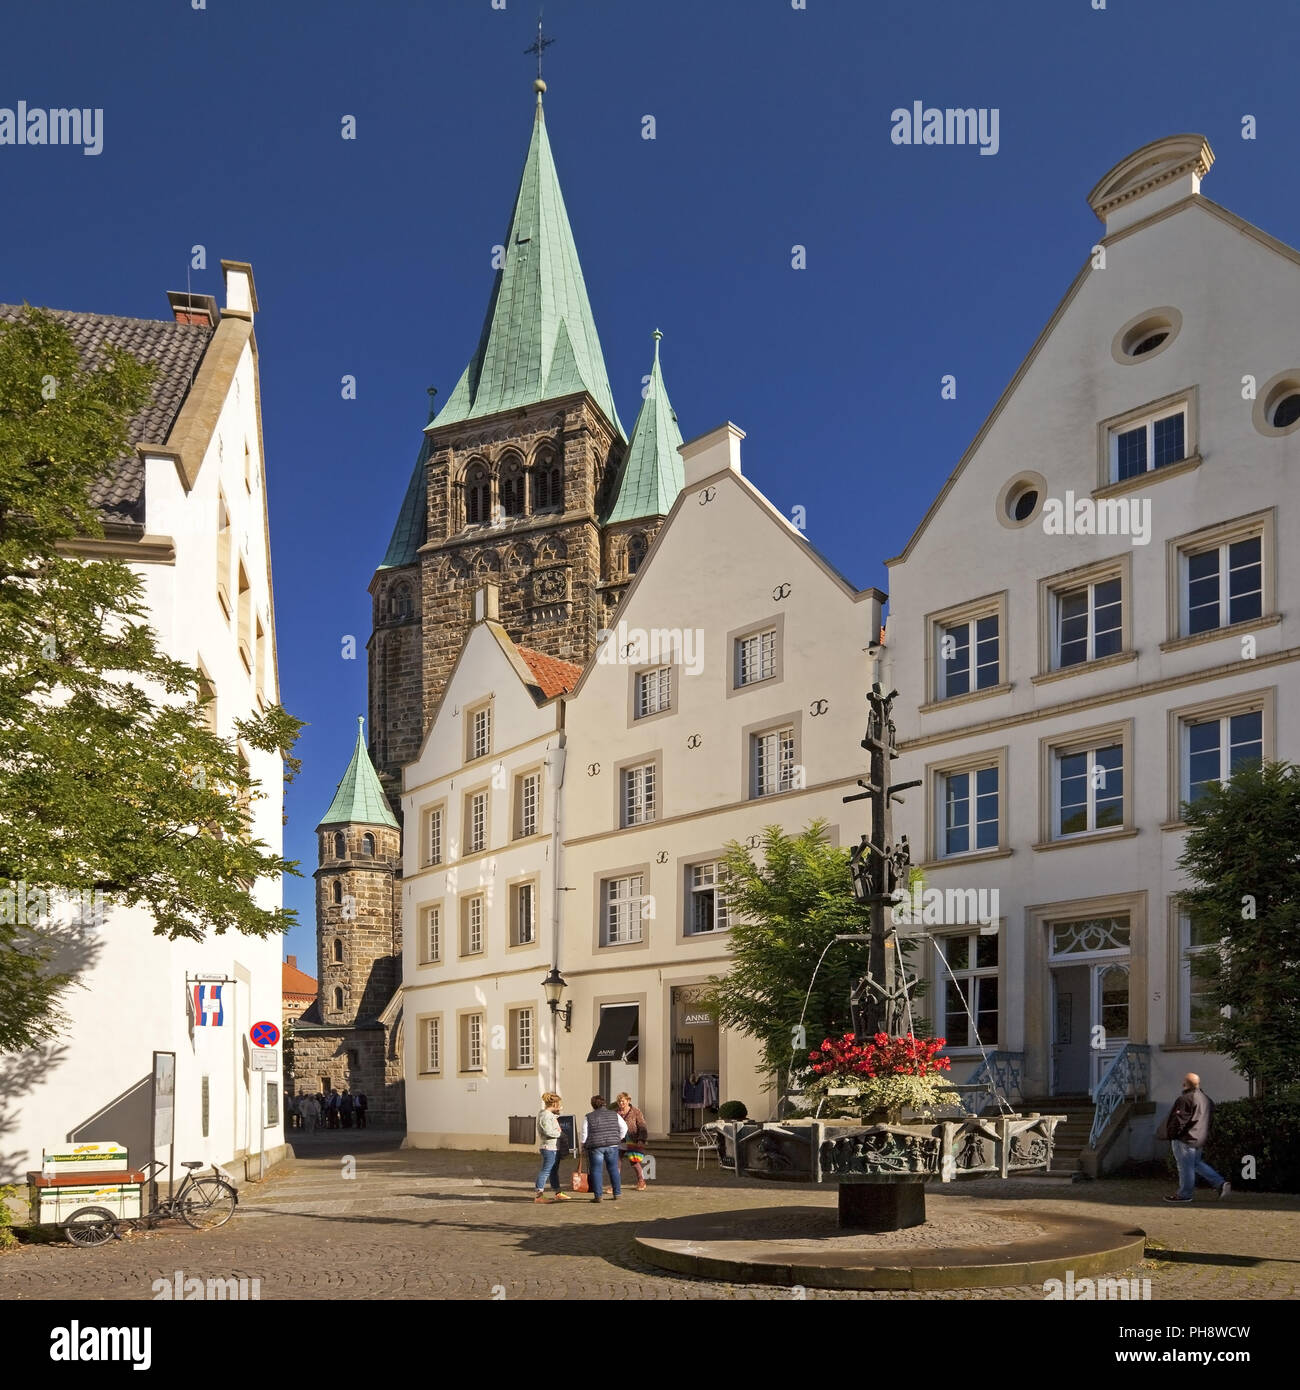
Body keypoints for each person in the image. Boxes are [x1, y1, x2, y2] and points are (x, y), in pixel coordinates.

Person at [1159, 1072, 1230, 1203]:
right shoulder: (1206, 1099)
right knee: (1196, 1164)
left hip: (1185, 1139)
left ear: (1185, 1084)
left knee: (1185, 1167)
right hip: (1199, 1138)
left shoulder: (1185, 1099)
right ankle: (1220, 1183)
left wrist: (1172, 1135)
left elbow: (1179, 1121)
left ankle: (1185, 1194)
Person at [581, 1095, 626, 1203]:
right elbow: (624, 1127)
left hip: (595, 1146)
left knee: (596, 1171)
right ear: (604, 1103)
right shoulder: (614, 1114)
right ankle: (617, 1193)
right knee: (613, 1169)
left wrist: (582, 1145)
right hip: (612, 1145)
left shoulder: (589, 1116)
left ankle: (598, 1196)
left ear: (593, 1105)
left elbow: (584, 1133)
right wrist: (618, 1138)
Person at [534, 1092, 572, 1203]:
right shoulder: (545, 1115)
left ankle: (558, 1192)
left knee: (553, 1171)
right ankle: (539, 1195)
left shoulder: (549, 1114)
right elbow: (548, 1131)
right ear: (554, 1103)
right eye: (558, 1103)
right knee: (546, 1170)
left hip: (554, 1147)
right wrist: (560, 1133)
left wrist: (556, 1113)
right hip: (548, 1147)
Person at [614, 1092, 650, 1191]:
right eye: (619, 1101)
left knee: (634, 1161)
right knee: (616, 1161)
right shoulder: (616, 1113)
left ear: (628, 1101)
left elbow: (642, 1126)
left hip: (633, 1139)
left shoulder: (636, 1112)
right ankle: (615, 1184)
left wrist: (641, 1139)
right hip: (619, 1140)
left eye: (623, 1101)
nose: (621, 1103)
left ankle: (641, 1181)